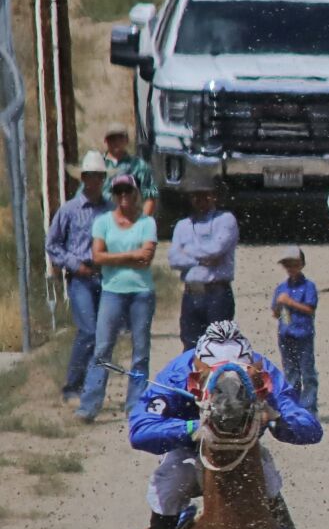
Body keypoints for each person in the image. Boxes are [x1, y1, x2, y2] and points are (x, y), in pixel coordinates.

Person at [128, 322, 323, 529]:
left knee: (265, 473)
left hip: (244, 454)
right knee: (172, 478)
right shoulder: (174, 375)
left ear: (251, 369)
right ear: (198, 369)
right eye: (216, 374)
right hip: (191, 453)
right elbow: (140, 430)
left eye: (240, 373)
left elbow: (311, 428)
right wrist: (193, 428)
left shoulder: (264, 371)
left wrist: (277, 419)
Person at [76, 174, 157, 423]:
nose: (123, 196)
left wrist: (115, 256)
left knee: (140, 351)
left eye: (127, 191)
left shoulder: (147, 223)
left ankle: (135, 406)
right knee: (102, 348)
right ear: (114, 195)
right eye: (118, 191)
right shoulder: (103, 222)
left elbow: (147, 258)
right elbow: (97, 257)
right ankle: (89, 405)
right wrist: (132, 255)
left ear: (135, 194)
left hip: (141, 292)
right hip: (112, 291)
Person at [47, 151, 113, 403]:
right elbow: (53, 245)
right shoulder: (70, 210)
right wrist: (75, 265)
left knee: (104, 334)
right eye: (90, 176)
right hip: (81, 278)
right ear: (83, 178)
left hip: (106, 276)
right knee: (87, 331)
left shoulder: (110, 209)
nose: (94, 180)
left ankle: (92, 388)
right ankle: (73, 386)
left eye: (99, 176)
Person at [166, 165, 238, 348]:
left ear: (214, 195)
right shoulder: (182, 225)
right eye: (196, 195)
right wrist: (200, 260)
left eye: (205, 195)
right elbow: (174, 259)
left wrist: (187, 251)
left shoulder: (226, 219)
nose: (200, 200)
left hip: (217, 292)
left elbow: (216, 249)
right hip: (191, 294)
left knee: (219, 347)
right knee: (190, 347)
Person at [272, 247, 320, 413]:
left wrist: (290, 302)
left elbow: (310, 309)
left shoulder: (308, 286)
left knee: (307, 372)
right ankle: (293, 407)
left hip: (303, 334)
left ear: (301, 264)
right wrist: (279, 304)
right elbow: (275, 313)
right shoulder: (281, 288)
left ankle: (309, 408)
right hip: (286, 334)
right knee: (290, 373)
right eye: (287, 265)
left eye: (294, 264)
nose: (290, 268)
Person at [102, 124, 156, 218]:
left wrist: (141, 223)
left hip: (129, 220)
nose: (116, 142)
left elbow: (150, 197)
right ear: (105, 141)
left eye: (120, 138)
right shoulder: (97, 165)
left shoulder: (138, 165)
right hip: (101, 219)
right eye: (112, 138)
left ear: (127, 140)